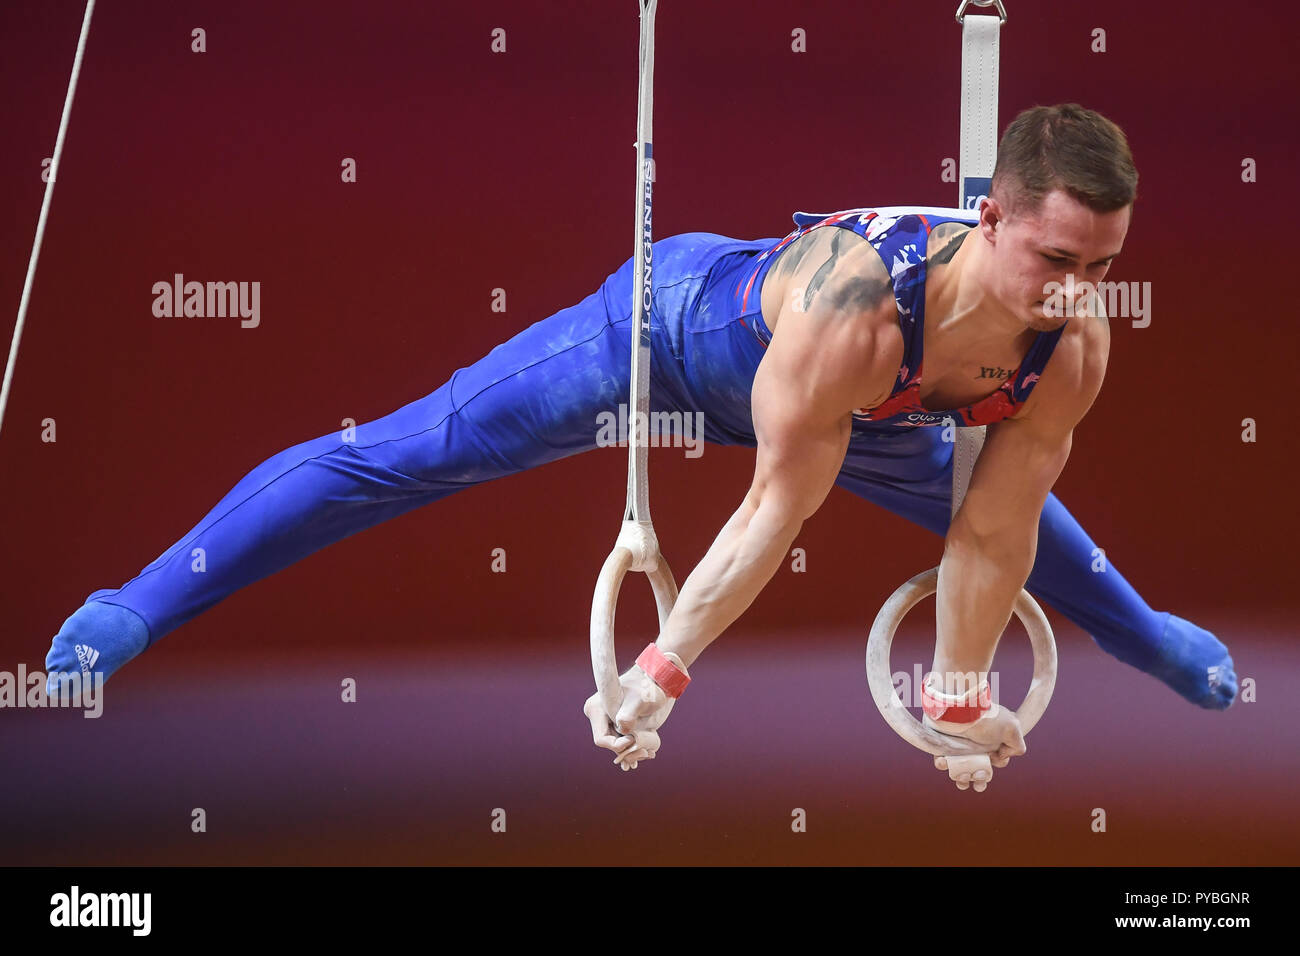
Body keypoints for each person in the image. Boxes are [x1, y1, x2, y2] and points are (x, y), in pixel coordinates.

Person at [44, 104, 1236, 789]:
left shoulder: (1070, 346)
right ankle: (140, 604)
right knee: (406, 453)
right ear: (991, 219)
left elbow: (992, 527)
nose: (1077, 292)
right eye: (1057, 262)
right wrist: (662, 668)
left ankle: (1159, 646)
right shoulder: (857, 302)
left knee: (1046, 543)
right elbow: (777, 509)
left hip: (877, 416)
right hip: (669, 341)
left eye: (1103, 269)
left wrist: (963, 684)